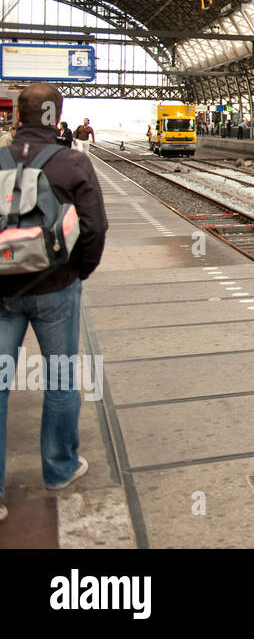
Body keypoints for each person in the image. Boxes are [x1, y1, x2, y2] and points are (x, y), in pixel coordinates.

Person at [0, 83, 108, 523]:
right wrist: (78, 271)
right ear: (55, 116)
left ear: (16, 116)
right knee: (61, 380)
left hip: (3, 292)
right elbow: (95, 227)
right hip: (56, 288)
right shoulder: (72, 161)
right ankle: (59, 469)